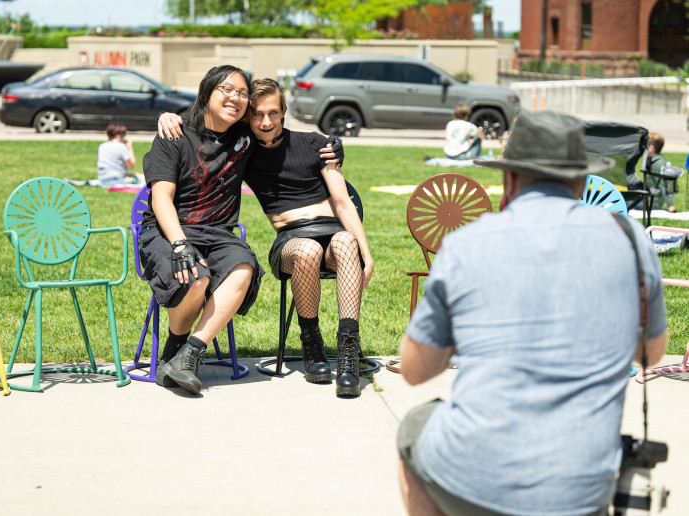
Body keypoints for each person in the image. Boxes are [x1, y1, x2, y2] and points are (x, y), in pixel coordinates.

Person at [397, 111, 668, 515]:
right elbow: (651, 352)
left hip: (473, 479)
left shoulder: (467, 245)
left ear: (509, 178)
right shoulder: (632, 241)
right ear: (583, 181)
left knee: (413, 427)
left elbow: (415, 369)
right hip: (583, 489)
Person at [158, 78, 373, 397]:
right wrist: (167, 116)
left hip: (333, 233)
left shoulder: (315, 144)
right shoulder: (244, 151)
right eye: (257, 114)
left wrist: (366, 255)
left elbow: (343, 202)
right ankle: (312, 344)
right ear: (248, 118)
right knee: (307, 249)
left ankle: (347, 356)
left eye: (273, 113)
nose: (266, 121)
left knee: (346, 242)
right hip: (292, 240)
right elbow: (208, 120)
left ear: (284, 111)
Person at [139, 64, 264, 395]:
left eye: (243, 93)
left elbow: (280, 129)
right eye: (227, 89)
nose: (235, 98)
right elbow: (161, 198)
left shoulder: (245, 138)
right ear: (207, 92)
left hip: (218, 234)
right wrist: (180, 244)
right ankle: (174, 348)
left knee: (243, 267)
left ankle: (188, 354)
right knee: (196, 276)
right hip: (168, 232)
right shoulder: (175, 133)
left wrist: (327, 147)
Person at [97, 123, 144, 187]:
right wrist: (130, 148)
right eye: (124, 134)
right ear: (118, 135)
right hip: (118, 180)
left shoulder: (102, 146)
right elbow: (131, 166)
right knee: (140, 177)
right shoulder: (121, 147)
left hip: (103, 180)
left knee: (136, 175)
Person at [643, 132, 676, 213]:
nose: (643, 148)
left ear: (651, 148)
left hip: (650, 203)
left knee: (623, 201)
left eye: (645, 145)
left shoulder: (657, 163)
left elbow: (664, 185)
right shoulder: (654, 159)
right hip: (647, 200)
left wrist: (671, 205)